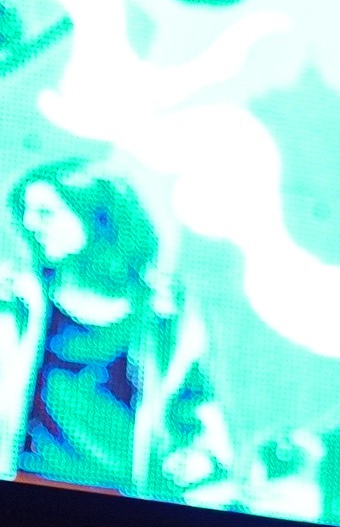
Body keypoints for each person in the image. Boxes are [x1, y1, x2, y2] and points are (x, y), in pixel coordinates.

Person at [1, 157, 238, 503]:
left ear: (97, 218)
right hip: (23, 494)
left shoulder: (165, 315)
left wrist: (203, 463)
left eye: (46, 212)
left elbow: (195, 404)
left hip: (123, 508)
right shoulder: (15, 300)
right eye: (25, 211)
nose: (29, 223)